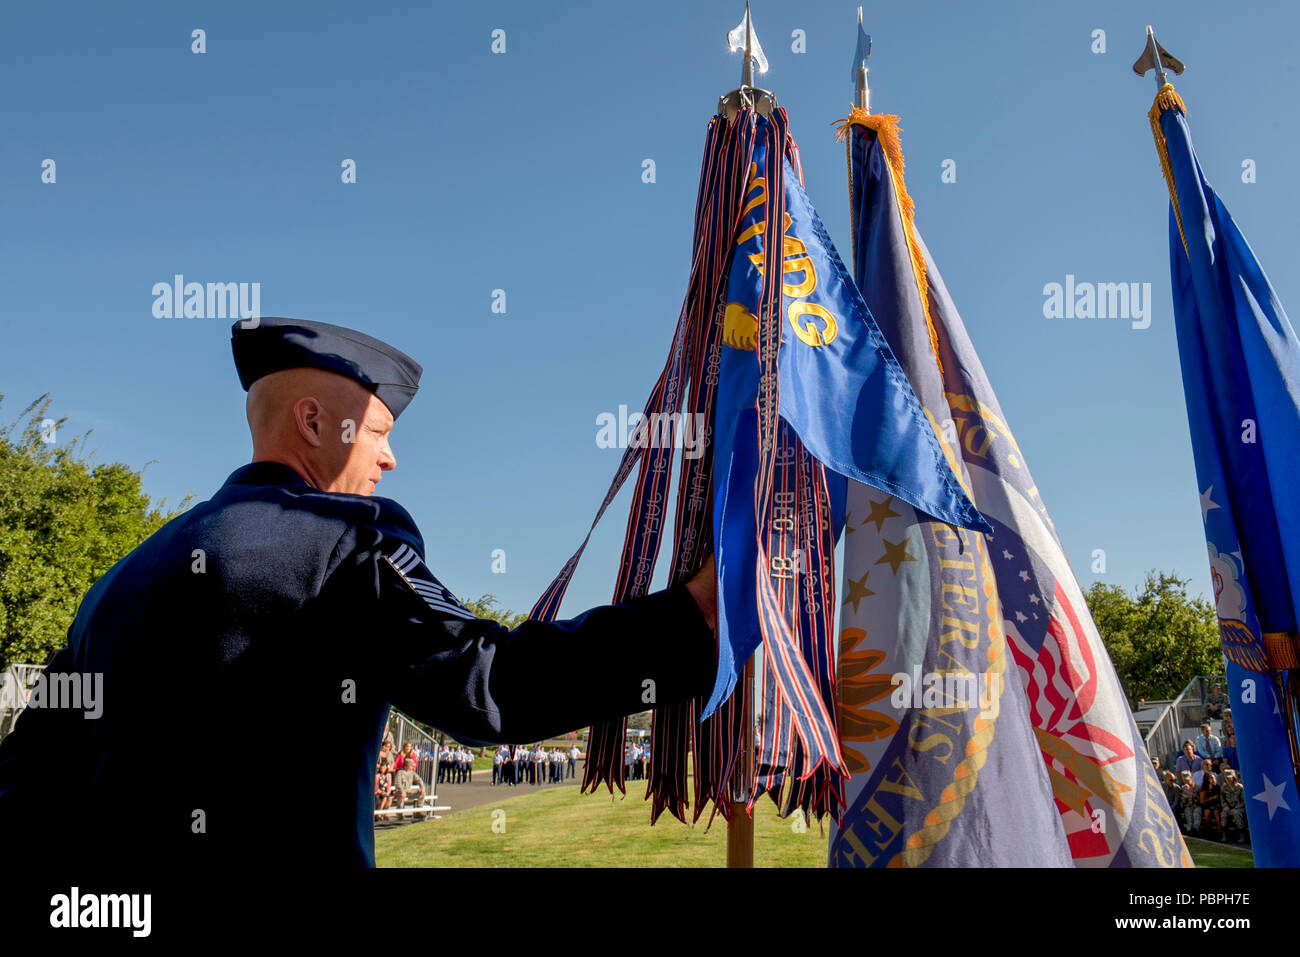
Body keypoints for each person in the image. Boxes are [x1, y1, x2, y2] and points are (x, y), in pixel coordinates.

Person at [0, 317, 719, 869]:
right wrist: (691, 618)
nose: (389, 456)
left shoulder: (116, 584)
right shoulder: (342, 536)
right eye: (378, 430)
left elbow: (24, 791)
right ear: (314, 422)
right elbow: (489, 682)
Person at [1219, 770, 1247, 843]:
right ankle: (1224, 834)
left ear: (1233, 777)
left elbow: (1244, 801)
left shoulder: (1240, 787)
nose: (1228, 779)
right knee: (1223, 814)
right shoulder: (1224, 787)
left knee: (1237, 814)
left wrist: (1236, 808)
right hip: (1228, 807)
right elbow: (1223, 800)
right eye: (1226, 778)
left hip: (1239, 808)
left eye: (1229, 778)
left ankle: (1242, 834)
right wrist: (1225, 806)